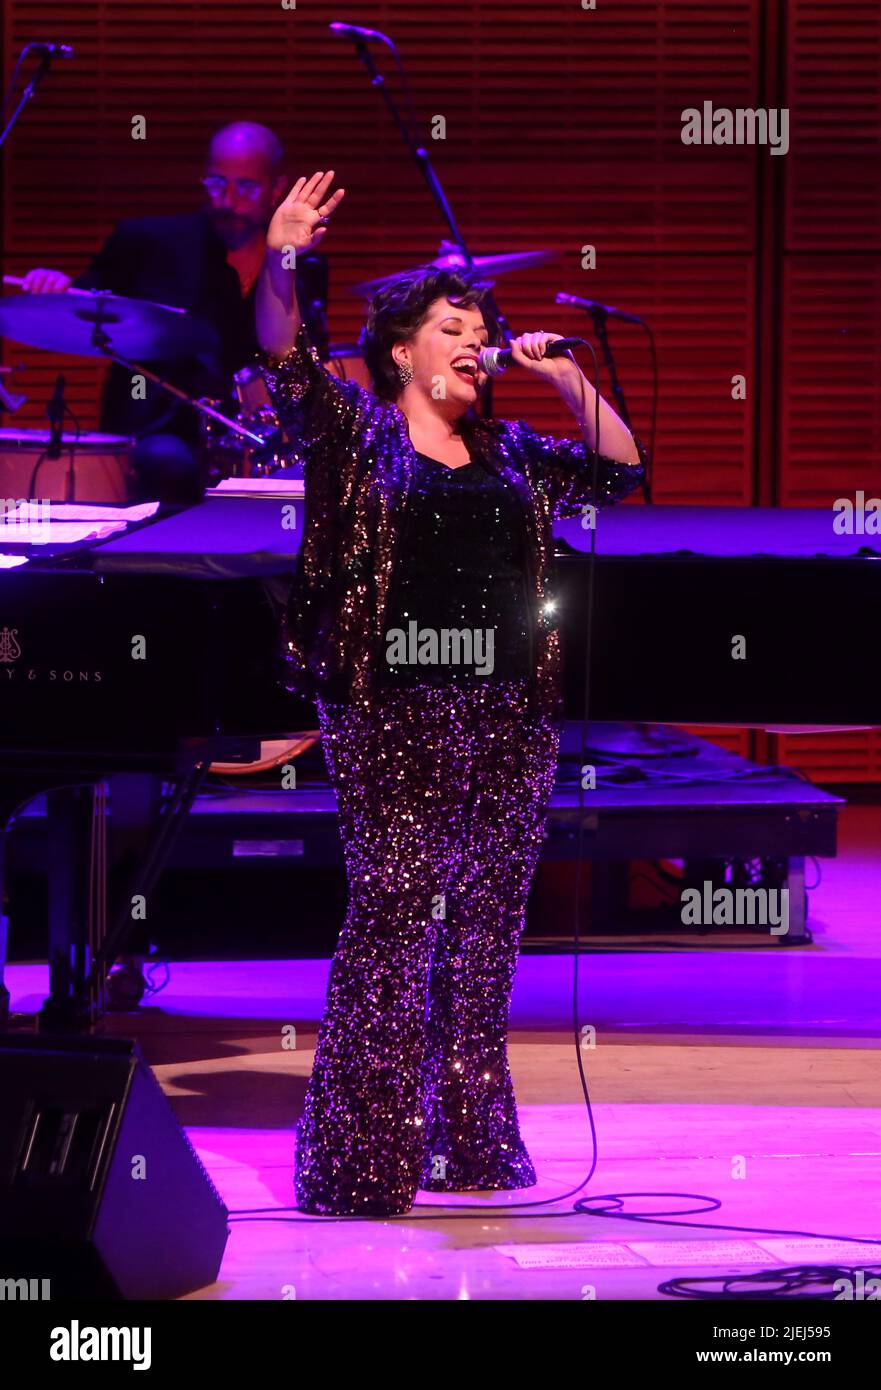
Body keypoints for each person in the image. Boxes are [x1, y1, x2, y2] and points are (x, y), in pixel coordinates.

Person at [256, 171, 646, 1217]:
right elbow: (285, 357)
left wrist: (560, 372)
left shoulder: (510, 448)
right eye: (449, 327)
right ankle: (360, 1157)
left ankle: (466, 1143)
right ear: (399, 351)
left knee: (482, 930)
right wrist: (284, 254)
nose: (471, 343)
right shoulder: (355, 437)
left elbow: (619, 468)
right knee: (391, 921)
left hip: (507, 715)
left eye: (478, 329)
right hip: (390, 712)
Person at [20, 122, 329, 504]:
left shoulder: (301, 262)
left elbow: (311, 358)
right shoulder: (150, 243)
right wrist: (52, 283)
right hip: (163, 428)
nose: (227, 201)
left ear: (276, 189)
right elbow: (86, 295)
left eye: (245, 187)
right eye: (216, 183)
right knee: (167, 461)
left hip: (257, 430)